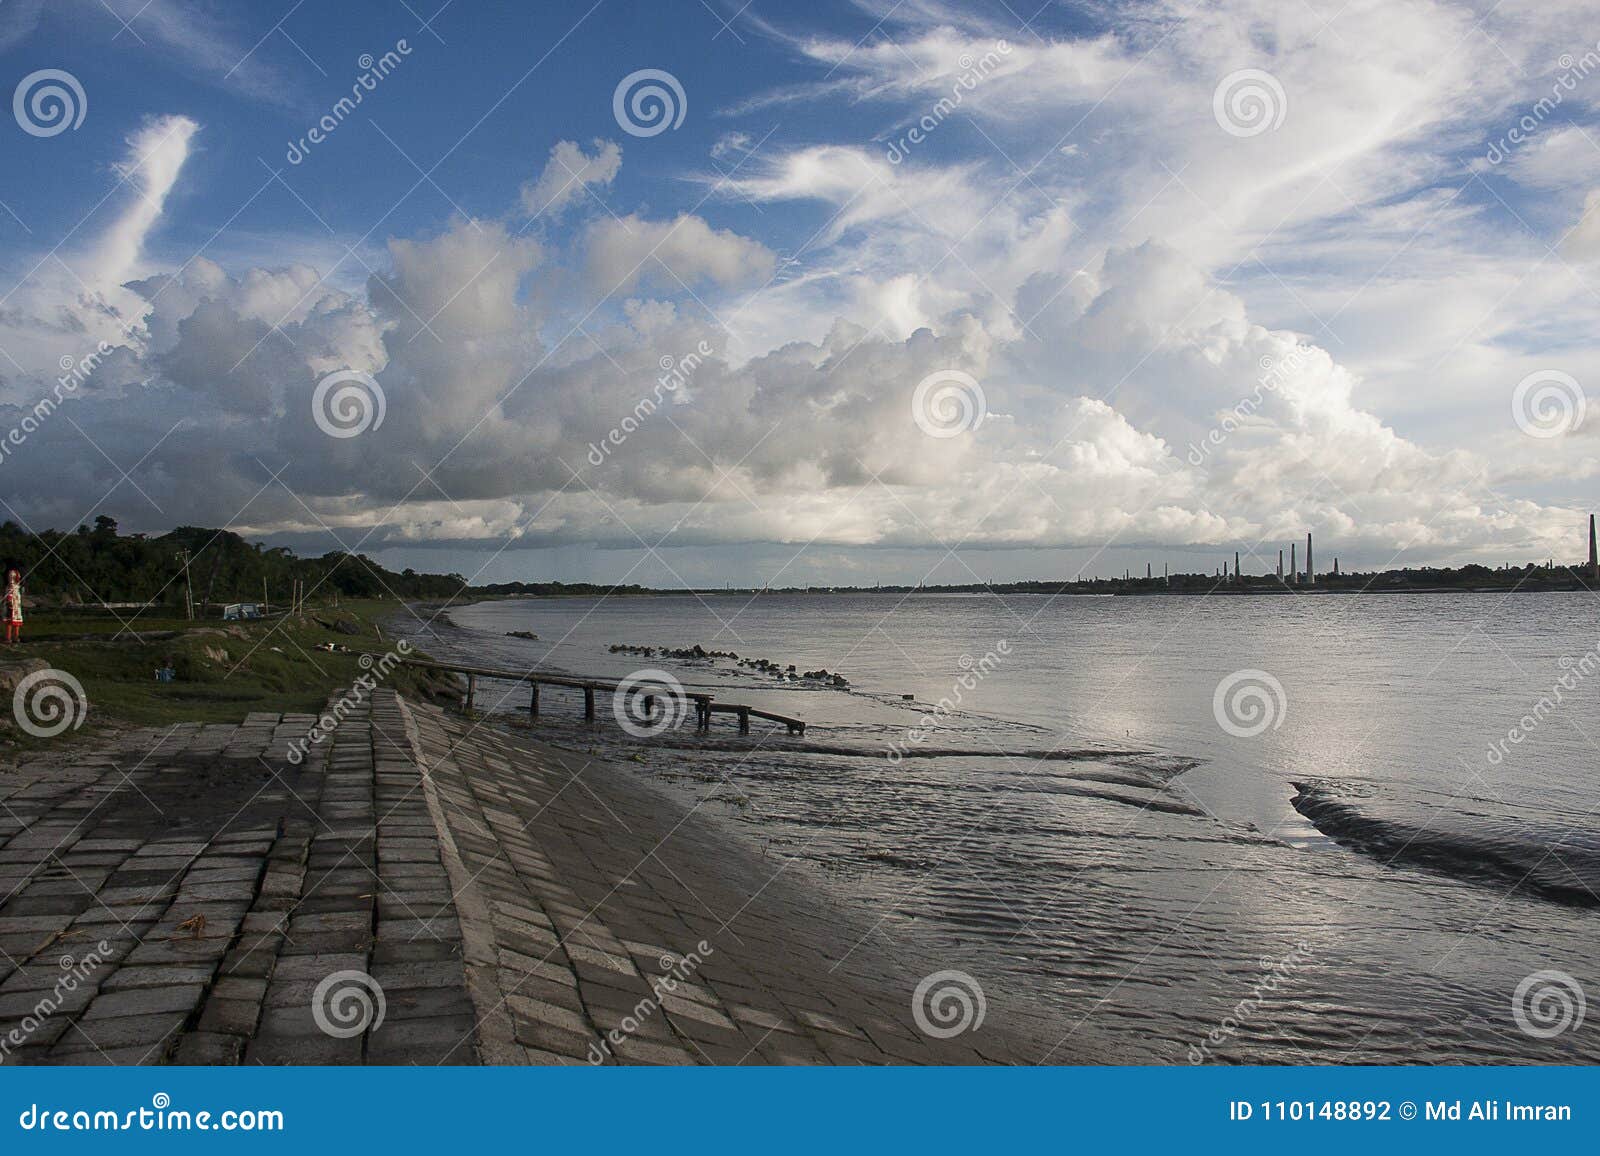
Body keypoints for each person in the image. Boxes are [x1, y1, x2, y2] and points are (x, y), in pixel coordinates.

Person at [2, 565, 22, 645]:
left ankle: (8, 638)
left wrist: (9, 598)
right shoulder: (18, 572)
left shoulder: (11, 572)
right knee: (16, 617)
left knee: (9, 618)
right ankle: (16, 637)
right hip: (17, 597)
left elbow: (11, 585)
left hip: (11, 596)